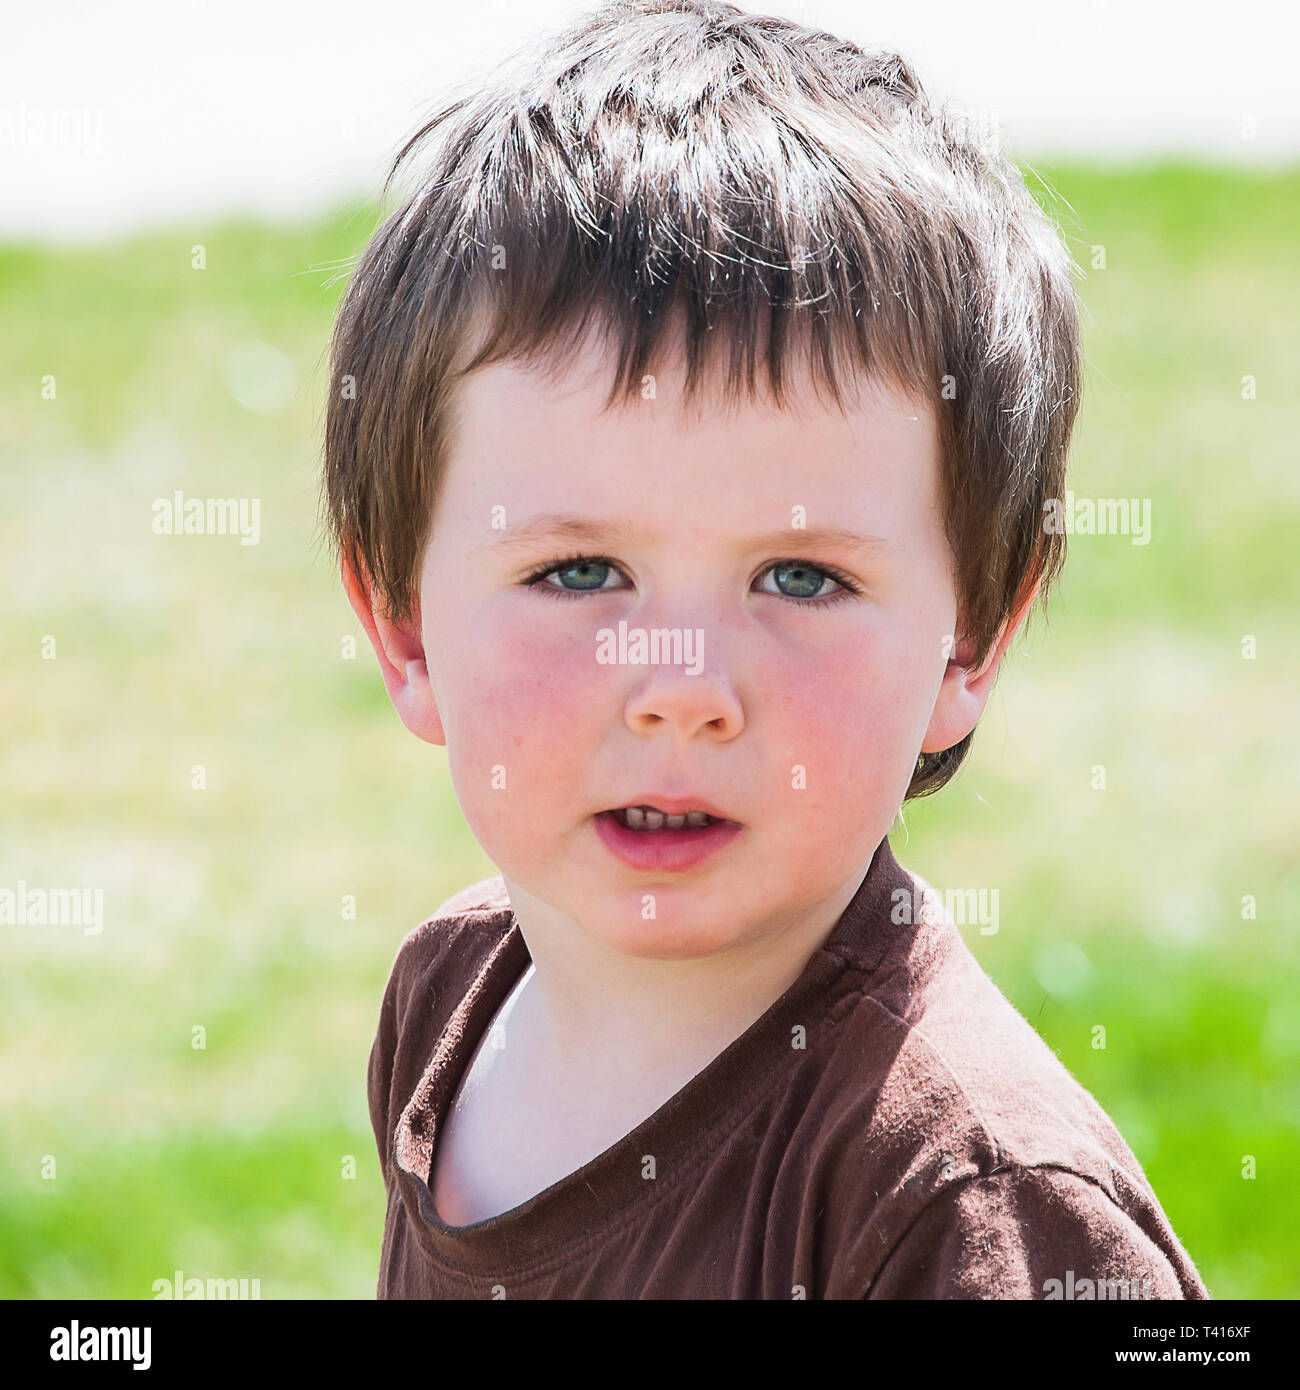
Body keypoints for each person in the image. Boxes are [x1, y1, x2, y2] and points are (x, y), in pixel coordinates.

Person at [323, 0, 1208, 1299]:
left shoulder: (959, 1207)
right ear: (402, 625)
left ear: (969, 644)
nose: (685, 688)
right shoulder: (448, 1000)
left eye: (801, 575)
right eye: (578, 569)